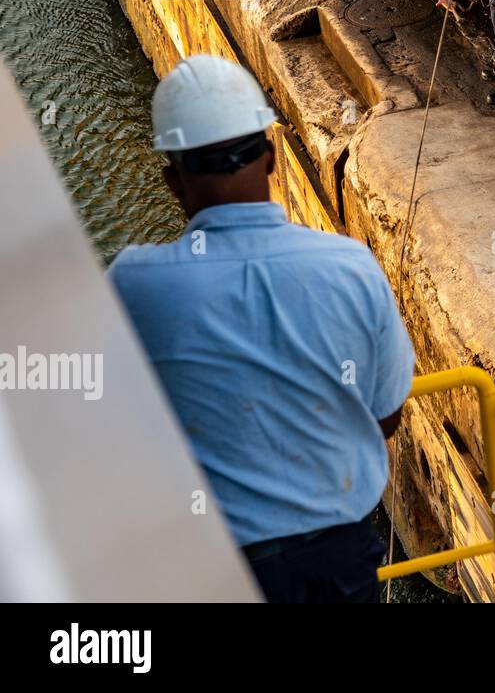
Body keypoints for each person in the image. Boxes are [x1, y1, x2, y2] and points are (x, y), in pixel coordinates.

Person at [108, 54, 415, 602]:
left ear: (173, 181)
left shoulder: (132, 287)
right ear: (271, 157)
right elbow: (386, 414)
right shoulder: (351, 266)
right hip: (338, 565)